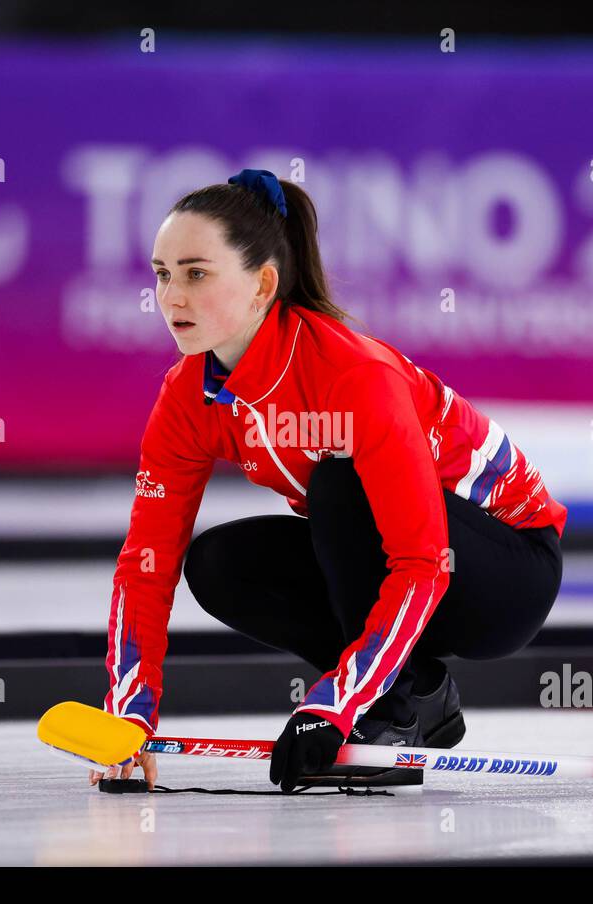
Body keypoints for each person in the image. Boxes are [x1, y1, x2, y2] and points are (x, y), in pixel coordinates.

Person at [89, 169, 565, 794]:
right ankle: (417, 692)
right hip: (407, 565)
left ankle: (386, 709)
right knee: (219, 563)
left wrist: (334, 703)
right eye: (162, 273)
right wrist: (130, 713)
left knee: (341, 485)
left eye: (196, 274)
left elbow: (422, 560)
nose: (172, 297)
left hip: (505, 572)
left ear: (263, 285)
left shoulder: (352, 375)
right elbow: (145, 565)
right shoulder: (186, 398)